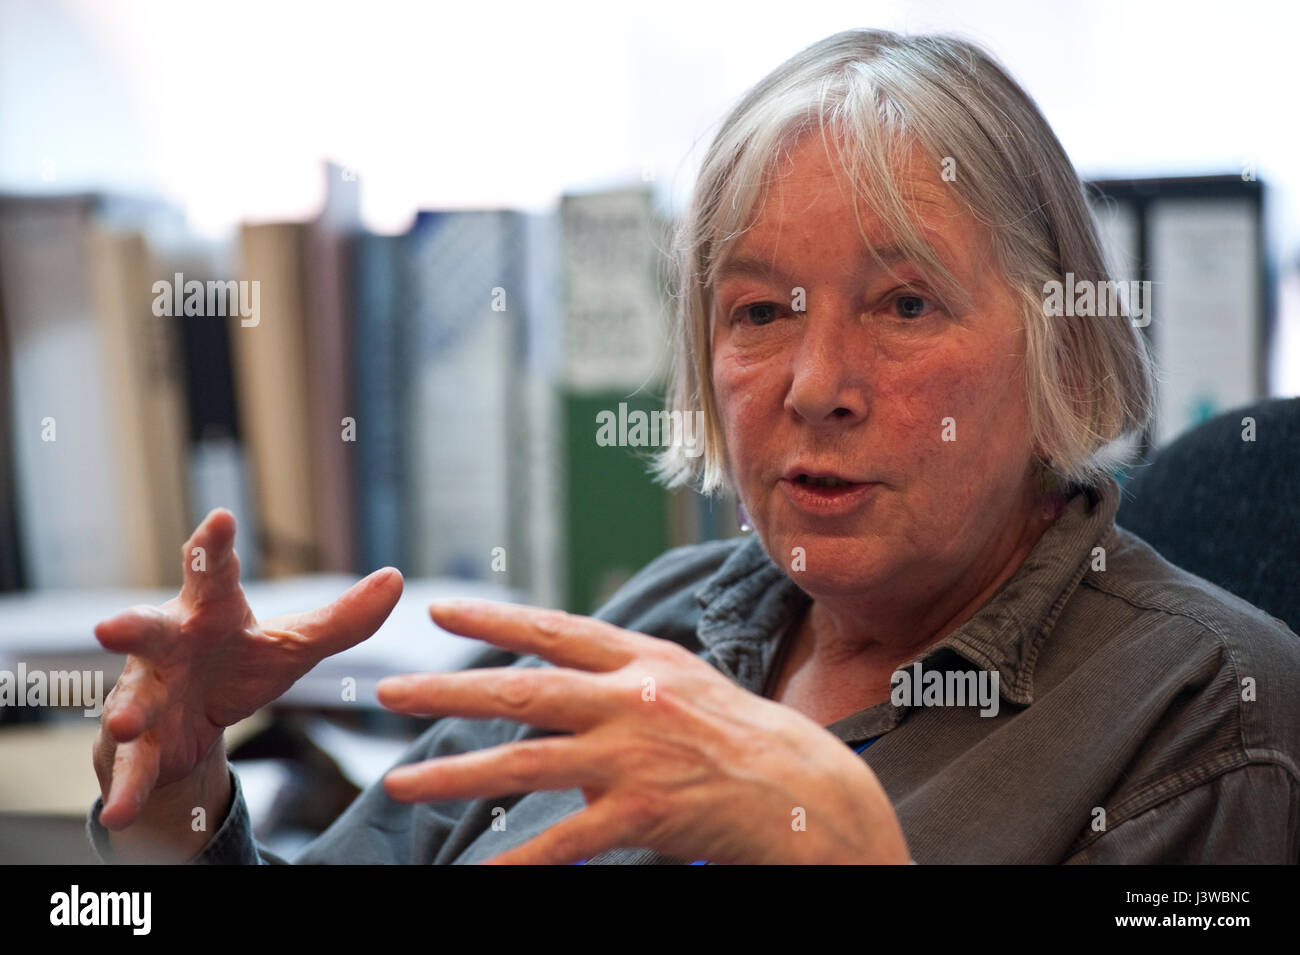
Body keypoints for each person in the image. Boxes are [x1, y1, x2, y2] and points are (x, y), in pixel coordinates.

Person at [87, 28, 1300, 865]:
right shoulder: (660, 620)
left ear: (1063, 357)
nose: (816, 384)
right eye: (761, 311)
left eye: (904, 304)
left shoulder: (1211, 715)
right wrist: (178, 797)